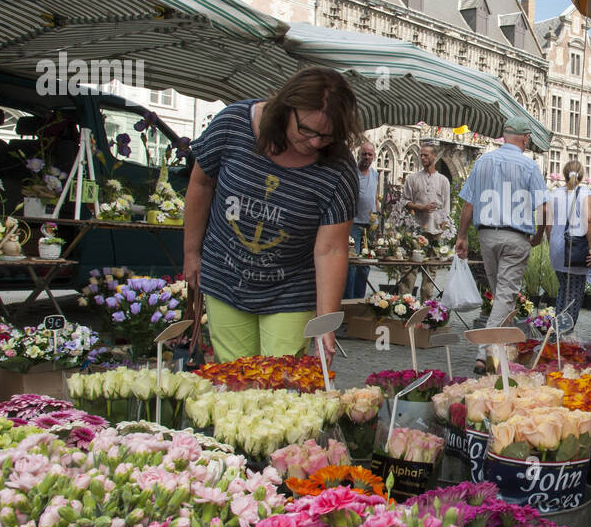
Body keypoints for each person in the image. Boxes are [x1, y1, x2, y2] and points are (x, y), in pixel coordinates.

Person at [184, 67, 360, 363]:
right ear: (286, 109)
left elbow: (330, 249)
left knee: (283, 382)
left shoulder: (339, 170)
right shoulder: (233, 123)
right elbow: (201, 183)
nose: (316, 142)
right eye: (307, 130)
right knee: (233, 379)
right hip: (225, 275)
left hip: (290, 290)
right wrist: (191, 253)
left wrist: (326, 323)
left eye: (327, 137)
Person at [455, 118, 548, 373]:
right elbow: (543, 208)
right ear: (526, 138)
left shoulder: (483, 161)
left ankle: (502, 352)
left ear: (504, 135)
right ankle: (484, 352)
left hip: (487, 236)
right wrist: (540, 235)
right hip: (516, 237)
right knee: (505, 296)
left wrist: (461, 236)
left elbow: (468, 204)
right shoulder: (529, 165)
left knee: (501, 296)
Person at [548, 160, 591, 327]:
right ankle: (564, 334)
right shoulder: (584, 192)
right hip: (577, 248)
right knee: (574, 294)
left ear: (564, 173)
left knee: (563, 290)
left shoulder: (554, 193)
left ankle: (555, 333)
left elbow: (548, 223)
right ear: (582, 175)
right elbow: (589, 220)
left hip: (557, 247)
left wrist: (552, 242)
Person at [401, 143, 451, 298]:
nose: (422, 158)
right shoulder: (413, 178)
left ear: (434, 157)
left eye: (426, 155)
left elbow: (446, 206)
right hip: (416, 230)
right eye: (421, 155)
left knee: (431, 271)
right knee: (410, 268)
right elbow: (404, 202)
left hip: (435, 231)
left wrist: (444, 226)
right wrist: (421, 207)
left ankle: (426, 307)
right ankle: (404, 303)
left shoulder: (443, 181)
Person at [343, 141, 378, 300]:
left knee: (365, 266)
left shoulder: (375, 174)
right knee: (352, 265)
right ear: (359, 154)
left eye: (370, 154)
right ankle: (348, 301)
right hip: (353, 225)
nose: (367, 157)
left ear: (374, 156)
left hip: (369, 226)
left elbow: (375, 198)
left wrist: (376, 219)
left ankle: (359, 298)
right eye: (364, 153)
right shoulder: (351, 173)